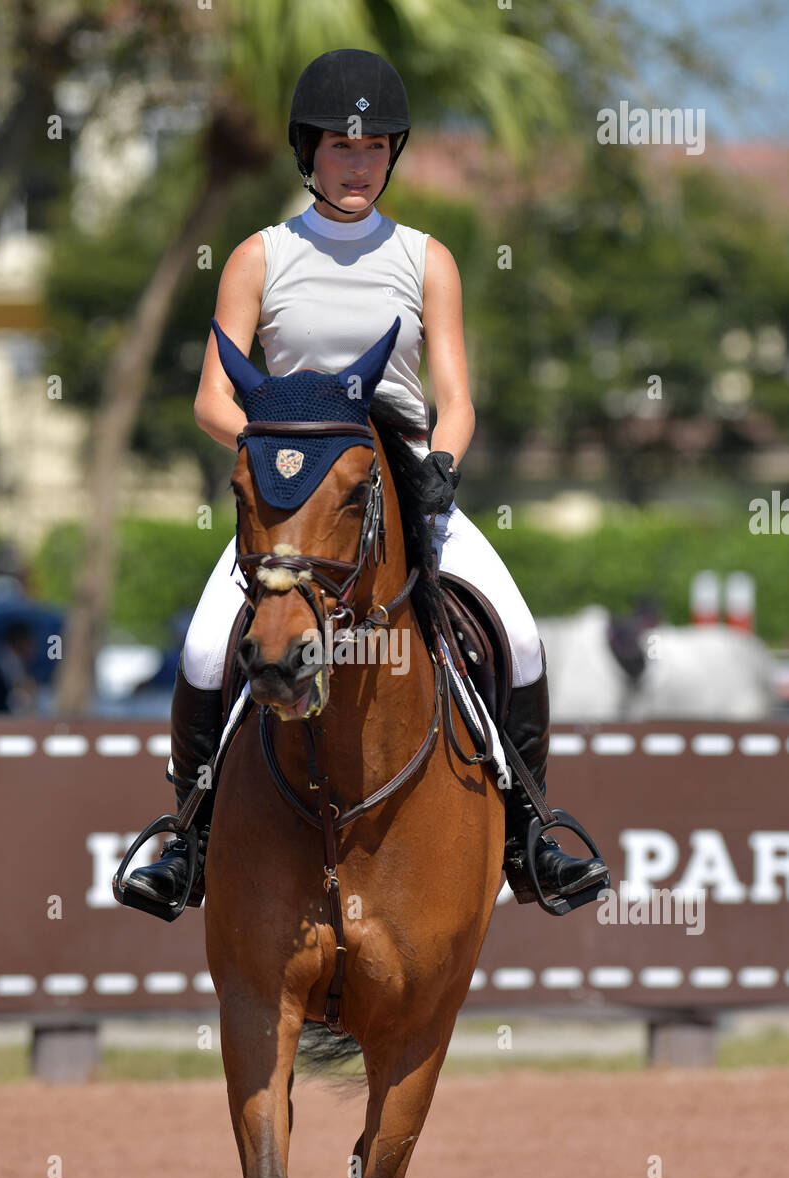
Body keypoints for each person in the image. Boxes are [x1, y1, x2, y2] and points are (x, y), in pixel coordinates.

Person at [124, 48, 608, 915]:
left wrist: (441, 469)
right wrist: (295, 468)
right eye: (342, 148)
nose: (359, 164)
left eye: (376, 147)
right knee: (203, 650)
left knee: (525, 639)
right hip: (292, 504)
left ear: (394, 154)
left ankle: (530, 839)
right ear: (308, 152)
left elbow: (455, 401)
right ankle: (188, 842)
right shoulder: (259, 256)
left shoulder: (428, 259)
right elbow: (210, 398)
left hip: (410, 483)